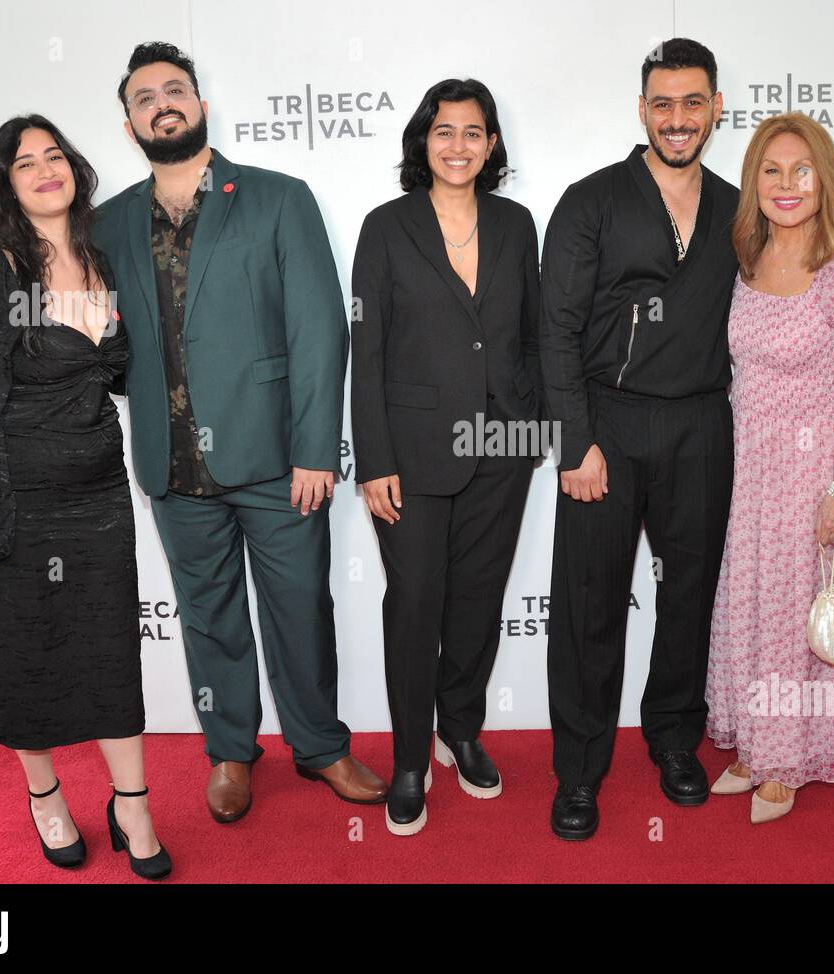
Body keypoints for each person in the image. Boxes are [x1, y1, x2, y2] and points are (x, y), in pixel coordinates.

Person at [93, 42, 385, 824]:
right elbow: (105, 337)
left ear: (201, 104)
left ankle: (320, 746)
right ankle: (229, 752)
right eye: (145, 97)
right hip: (173, 464)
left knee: (300, 610)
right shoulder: (110, 222)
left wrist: (317, 450)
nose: (163, 103)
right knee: (208, 618)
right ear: (129, 125)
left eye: (175, 90)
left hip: (275, 461)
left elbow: (320, 330)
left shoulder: (277, 198)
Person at [0, 115, 170, 880]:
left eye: (54, 155)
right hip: (15, 500)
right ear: (5, 183)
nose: (44, 170)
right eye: (23, 162)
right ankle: (46, 797)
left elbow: (131, 371)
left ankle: (131, 801)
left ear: (75, 168)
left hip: (99, 496)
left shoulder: (108, 260)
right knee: (25, 656)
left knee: (110, 654)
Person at [540, 38, 740, 840]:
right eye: (663, 103)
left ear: (716, 108)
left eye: (693, 103)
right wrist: (574, 444)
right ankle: (579, 772)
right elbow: (553, 330)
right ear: (642, 111)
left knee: (689, 599)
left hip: (701, 422)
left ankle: (675, 741)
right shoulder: (591, 200)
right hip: (606, 427)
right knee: (589, 608)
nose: (678, 119)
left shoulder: (738, 206)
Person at [351, 78, 544, 836]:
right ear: (422, 142)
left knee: (477, 601)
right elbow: (365, 351)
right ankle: (408, 758)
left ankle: (459, 730)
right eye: (443, 131)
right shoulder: (386, 226)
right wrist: (372, 459)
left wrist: (531, 431)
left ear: (492, 144)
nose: (458, 145)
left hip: (502, 446)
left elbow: (530, 333)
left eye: (473, 132)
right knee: (415, 604)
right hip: (413, 451)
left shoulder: (517, 223)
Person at [704, 113, 834, 825]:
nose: (786, 185)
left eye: (801, 170)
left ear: (825, 180)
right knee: (753, 611)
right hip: (751, 470)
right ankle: (757, 745)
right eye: (771, 171)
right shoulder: (746, 259)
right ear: (754, 181)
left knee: (799, 619)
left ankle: (791, 760)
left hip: (818, 474)